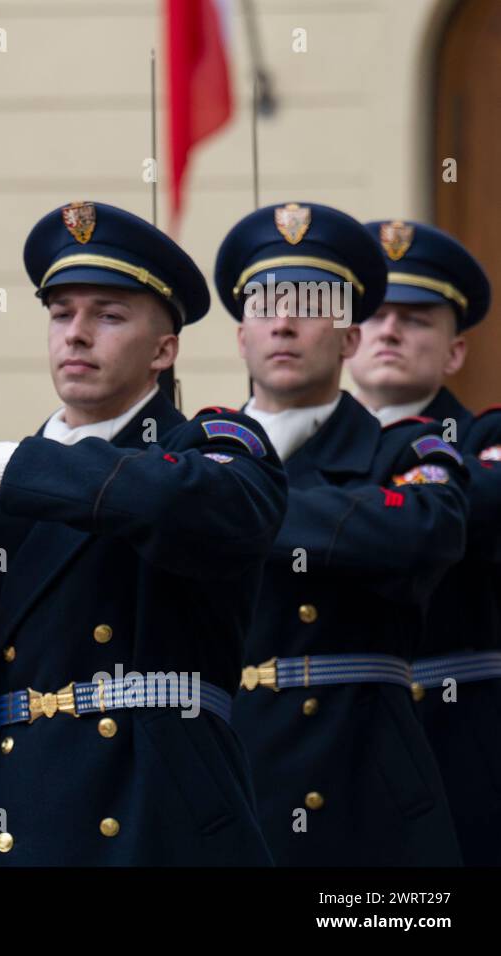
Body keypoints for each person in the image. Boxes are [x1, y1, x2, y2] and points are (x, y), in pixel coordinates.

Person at [0, 201, 288, 865]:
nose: (75, 335)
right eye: (61, 313)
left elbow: (211, 508)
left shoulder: (208, 443)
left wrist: (8, 465)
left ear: (164, 349)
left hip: (156, 814)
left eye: (108, 315)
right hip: (17, 816)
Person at [218, 202, 467, 865]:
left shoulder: (407, 450)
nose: (286, 322)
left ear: (350, 338)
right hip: (224, 775)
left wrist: (224, 509)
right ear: (241, 335)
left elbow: (420, 530)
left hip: (363, 788)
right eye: (267, 304)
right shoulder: (197, 452)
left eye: (313, 303)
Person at [347, 219, 501, 864]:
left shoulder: (481, 442)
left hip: (452, 733)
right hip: (329, 743)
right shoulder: (285, 447)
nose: (389, 331)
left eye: (414, 318)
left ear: (455, 352)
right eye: (375, 315)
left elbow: (458, 515)